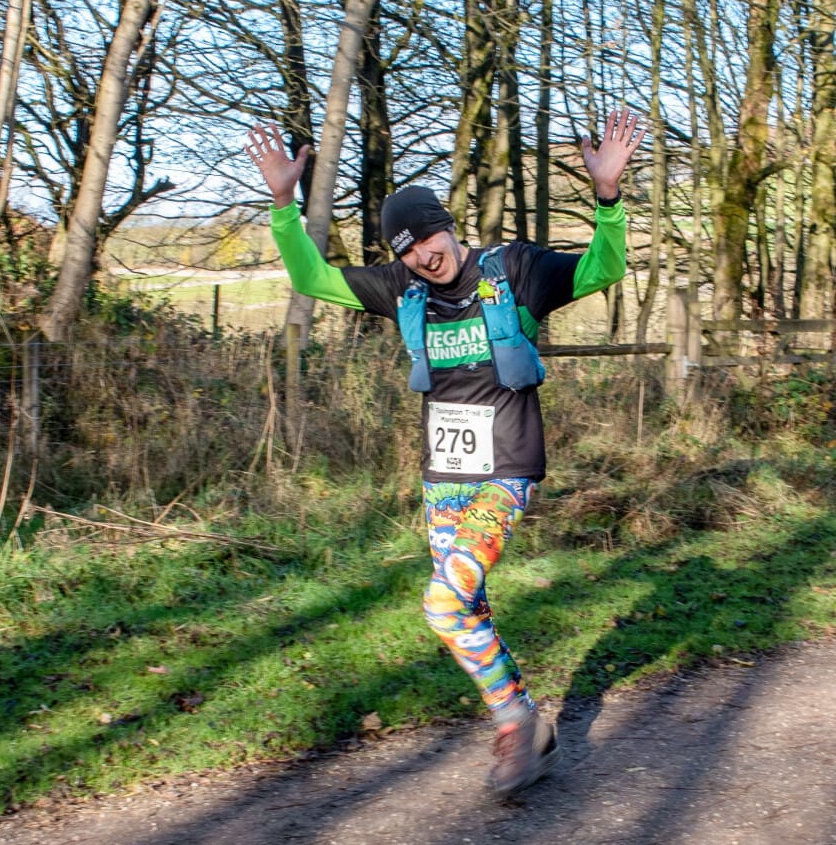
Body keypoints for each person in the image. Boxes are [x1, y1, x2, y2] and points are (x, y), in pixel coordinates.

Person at [245, 111, 643, 795]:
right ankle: (530, 727)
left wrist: (608, 197)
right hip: (443, 481)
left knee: (443, 601)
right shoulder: (402, 290)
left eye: (428, 238)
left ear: (447, 224)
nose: (424, 257)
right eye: (408, 251)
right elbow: (311, 278)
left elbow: (604, 267)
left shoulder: (514, 270)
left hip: (505, 471)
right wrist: (285, 205)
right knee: (467, 609)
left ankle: (514, 720)